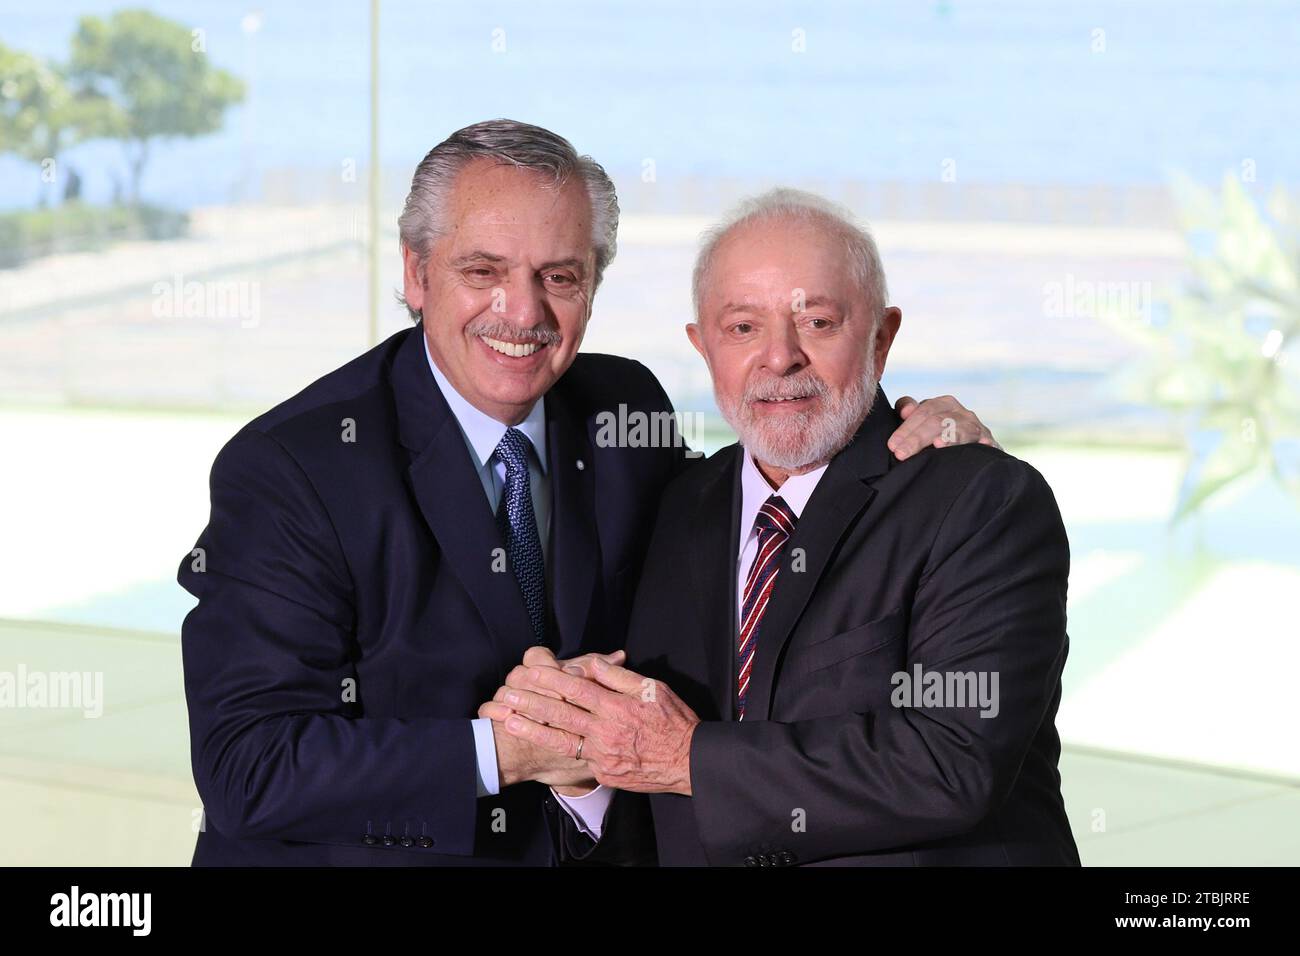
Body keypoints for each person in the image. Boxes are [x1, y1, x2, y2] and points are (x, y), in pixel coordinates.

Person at [179, 120, 994, 865]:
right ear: (416, 272)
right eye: (483, 271)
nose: (522, 310)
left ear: (594, 285)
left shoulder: (621, 410)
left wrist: (906, 428)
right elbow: (246, 767)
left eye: (559, 275)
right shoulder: (293, 467)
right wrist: (504, 751)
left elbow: (755, 500)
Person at [487, 187, 1079, 866]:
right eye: (742, 327)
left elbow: (953, 762)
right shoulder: (675, 509)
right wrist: (587, 769)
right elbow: (657, 790)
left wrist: (688, 758)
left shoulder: (981, 499)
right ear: (702, 345)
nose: (779, 357)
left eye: (818, 323)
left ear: (881, 338)